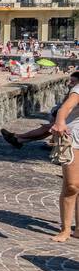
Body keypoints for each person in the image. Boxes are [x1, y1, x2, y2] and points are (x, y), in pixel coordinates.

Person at [3, 69, 79, 149]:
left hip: (71, 126)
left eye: (73, 82)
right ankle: (19, 139)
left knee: (47, 128)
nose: (69, 84)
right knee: (47, 129)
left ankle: (17, 137)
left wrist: (58, 122)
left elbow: (65, 107)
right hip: (69, 122)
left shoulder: (76, 91)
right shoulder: (73, 91)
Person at [48, 78, 79, 242]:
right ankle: (65, 228)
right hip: (73, 139)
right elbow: (65, 108)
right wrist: (60, 122)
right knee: (72, 185)